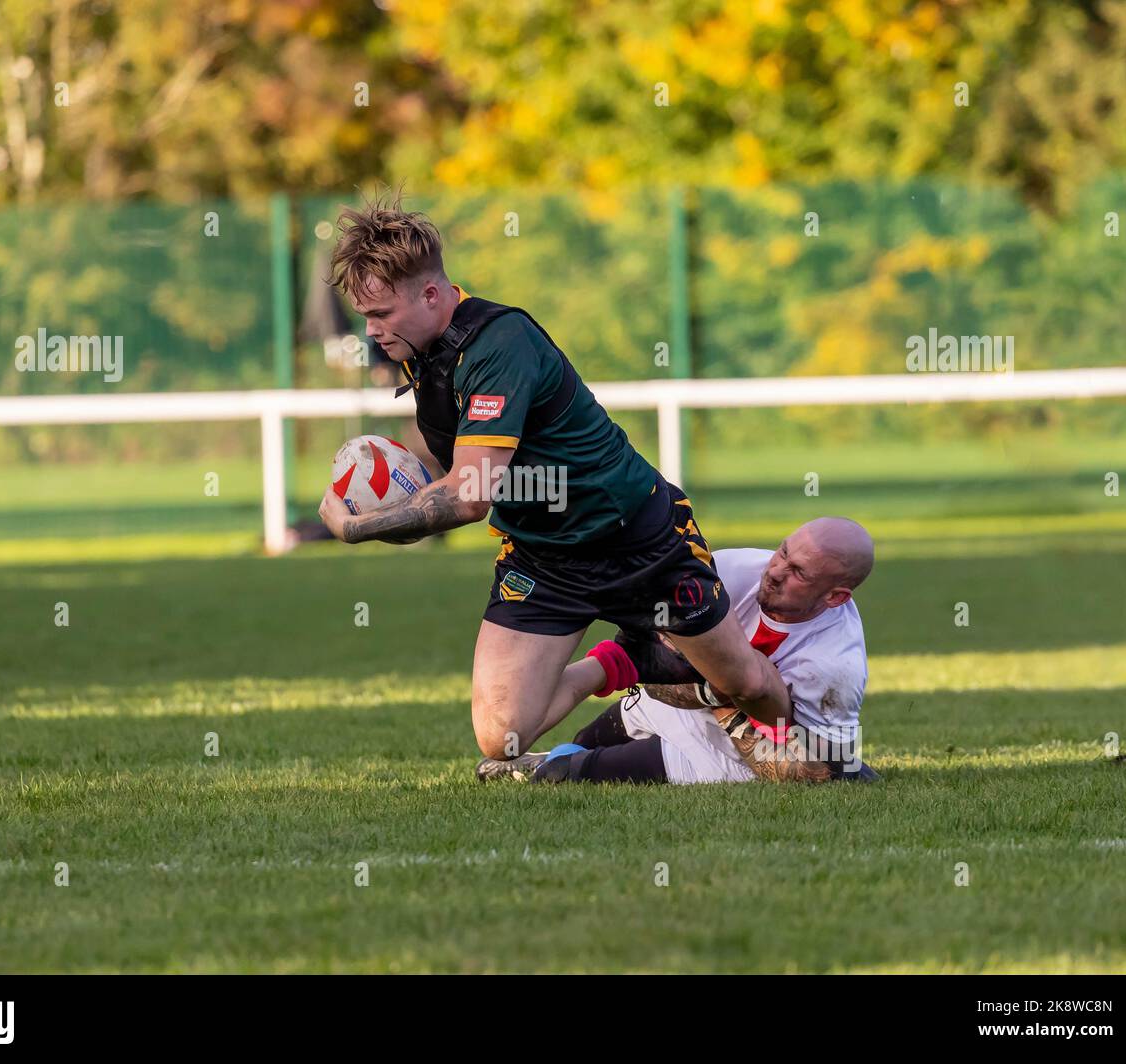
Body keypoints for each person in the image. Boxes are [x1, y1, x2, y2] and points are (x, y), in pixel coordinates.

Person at [316, 189, 793, 761]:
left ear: (432, 293)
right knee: (502, 738)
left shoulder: (500, 344)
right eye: (366, 315)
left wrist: (357, 528)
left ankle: (818, 744)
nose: (370, 331)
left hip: (635, 537)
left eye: (380, 314)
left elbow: (469, 498)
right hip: (543, 555)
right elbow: (463, 469)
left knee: (749, 687)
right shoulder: (424, 351)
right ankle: (623, 660)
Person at [477, 518, 881, 784]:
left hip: (736, 753)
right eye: (783, 552)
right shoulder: (730, 571)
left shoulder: (832, 666)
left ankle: (546, 767)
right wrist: (714, 685)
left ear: (834, 597)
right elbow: (655, 664)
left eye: (798, 573)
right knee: (585, 739)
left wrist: (724, 696)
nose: (775, 572)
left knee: (569, 773)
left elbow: (811, 772)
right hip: (685, 704)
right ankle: (542, 757)